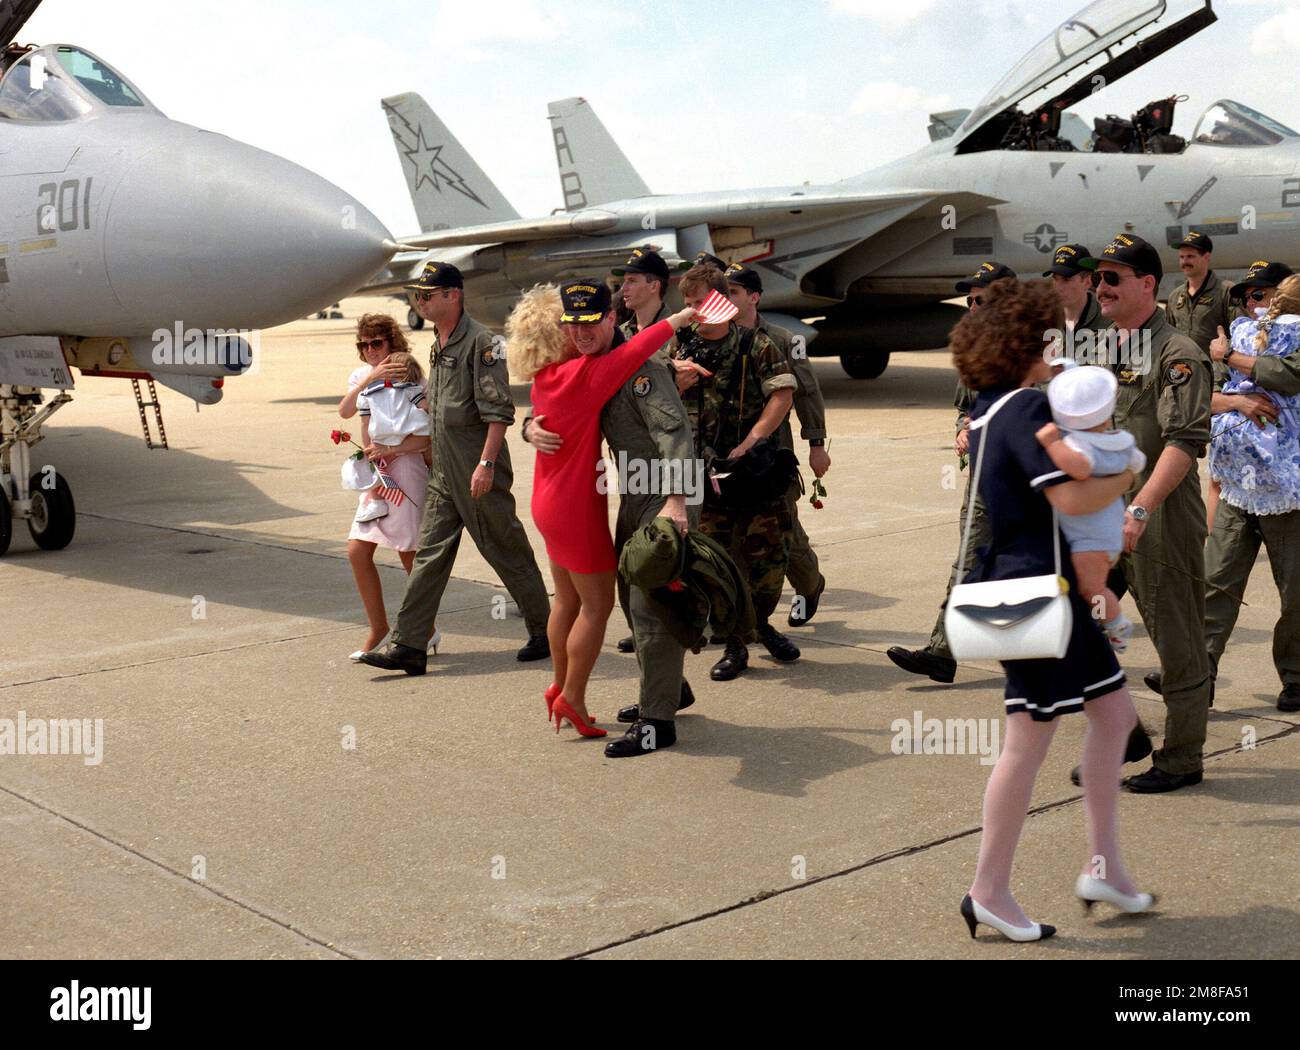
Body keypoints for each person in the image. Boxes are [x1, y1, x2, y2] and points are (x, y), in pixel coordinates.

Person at [951, 278, 1152, 944]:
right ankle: (989, 890)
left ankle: (1106, 867)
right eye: (1051, 333)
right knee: (1027, 741)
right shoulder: (1025, 407)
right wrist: (1127, 476)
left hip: (1035, 589)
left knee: (1115, 715)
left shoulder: (985, 407)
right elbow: (1070, 500)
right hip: (1036, 594)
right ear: (1031, 342)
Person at [523, 277, 702, 757]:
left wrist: (678, 502)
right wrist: (529, 427)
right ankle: (668, 688)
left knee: (647, 607)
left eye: (590, 323)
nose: (580, 333)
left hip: (664, 492)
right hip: (632, 493)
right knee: (628, 599)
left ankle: (657, 722)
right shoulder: (591, 365)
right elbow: (555, 404)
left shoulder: (637, 368)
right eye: (572, 324)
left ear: (611, 318)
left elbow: (674, 434)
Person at [360, 262, 552, 676]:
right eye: (418, 295)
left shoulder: (483, 342)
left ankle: (545, 629)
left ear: (453, 295)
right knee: (430, 552)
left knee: (504, 547)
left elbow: (499, 412)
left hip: (475, 465)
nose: (421, 301)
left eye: (428, 294)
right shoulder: (438, 341)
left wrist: (485, 465)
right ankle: (409, 644)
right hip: (445, 468)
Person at [1085, 234, 1214, 793]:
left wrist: (1138, 509)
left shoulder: (1177, 354)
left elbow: (1183, 443)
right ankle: (1127, 732)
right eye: (1097, 278)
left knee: (1177, 639)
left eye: (1113, 278)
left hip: (1157, 515)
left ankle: (1183, 758)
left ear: (1147, 285)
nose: (1100, 287)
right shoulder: (1103, 349)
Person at [670, 263, 799, 681]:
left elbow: (782, 393)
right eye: (688, 305)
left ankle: (759, 623)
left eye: (701, 303)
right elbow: (646, 399)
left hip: (751, 472)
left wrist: (753, 440)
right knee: (716, 565)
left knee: (768, 565)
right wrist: (678, 383)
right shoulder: (679, 349)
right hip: (702, 477)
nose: (694, 312)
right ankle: (735, 643)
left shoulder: (755, 345)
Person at [888, 262, 1015, 684]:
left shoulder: (1031, 350)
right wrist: (963, 429)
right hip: (984, 476)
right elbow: (965, 407)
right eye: (970, 300)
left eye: (982, 299)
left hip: (1018, 479)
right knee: (976, 558)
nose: (974, 306)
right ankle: (946, 652)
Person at [1199, 275, 1300, 714]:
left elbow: (1287, 376)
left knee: (1295, 592)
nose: (1254, 304)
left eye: (1262, 295)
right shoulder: (1238, 336)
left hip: (1288, 491)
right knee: (1214, 580)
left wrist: (1232, 357)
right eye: (1246, 297)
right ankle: (1194, 675)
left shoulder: (1287, 340)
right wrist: (1238, 401)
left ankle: (1296, 677)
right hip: (1239, 485)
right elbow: (1208, 394)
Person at [723, 262, 831, 627]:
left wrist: (816, 444)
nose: (726, 298)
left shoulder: (785, 340)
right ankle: (745, 619)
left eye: (734, 291)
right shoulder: (714, 337)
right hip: (727, 457)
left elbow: (808, 392)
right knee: (736, 536)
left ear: (753, 297)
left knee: (787, 537)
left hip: (772, 458)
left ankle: (810, 585)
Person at [338, 315, 437, 660]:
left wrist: (391, 452)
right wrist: (370, 377)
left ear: (392, 343)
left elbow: (425, 435)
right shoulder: (362, 378)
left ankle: (424, 627)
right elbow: (347, 412)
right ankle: (378, 627)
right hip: (378, 470)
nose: (369, 350)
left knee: (409, 553)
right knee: (357, 550)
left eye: (376, 343)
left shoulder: (414, 379)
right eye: (363, 345)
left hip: (405, 468)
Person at [1036, 366, 1147, 651]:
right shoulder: (1119, 441)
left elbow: (1081, 468)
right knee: (1085, 587)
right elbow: (1138, 463)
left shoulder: (1079, 444)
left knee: (1091, 588)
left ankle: (1116, 624)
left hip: (1090, 538)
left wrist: (1051, 444)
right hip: (1105, 534)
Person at [609, 247, 675, 655]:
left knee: (659, 570)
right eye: (623, 281)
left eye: (632, 280)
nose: (624, 287)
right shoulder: (622, 337)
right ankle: (649, 638)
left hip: (674, 466)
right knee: (628, 567)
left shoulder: (683, 332)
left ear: (654, 285)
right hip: (632, 471)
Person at [352, 352, 432, 524]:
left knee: (376, 470)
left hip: (380, 434)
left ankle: (377, 501)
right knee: (423, 434)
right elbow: (424, 407)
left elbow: (365, 423)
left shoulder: (370, 393)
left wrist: (368, 446)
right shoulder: (412, 388)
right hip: (406, 432)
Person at [1043, 244, 1108, 342]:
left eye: (1066, 279)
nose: (1058, 288)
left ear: (1087, 281)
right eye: (1055, 279)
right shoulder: (1045, 318)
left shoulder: (1108, 319)